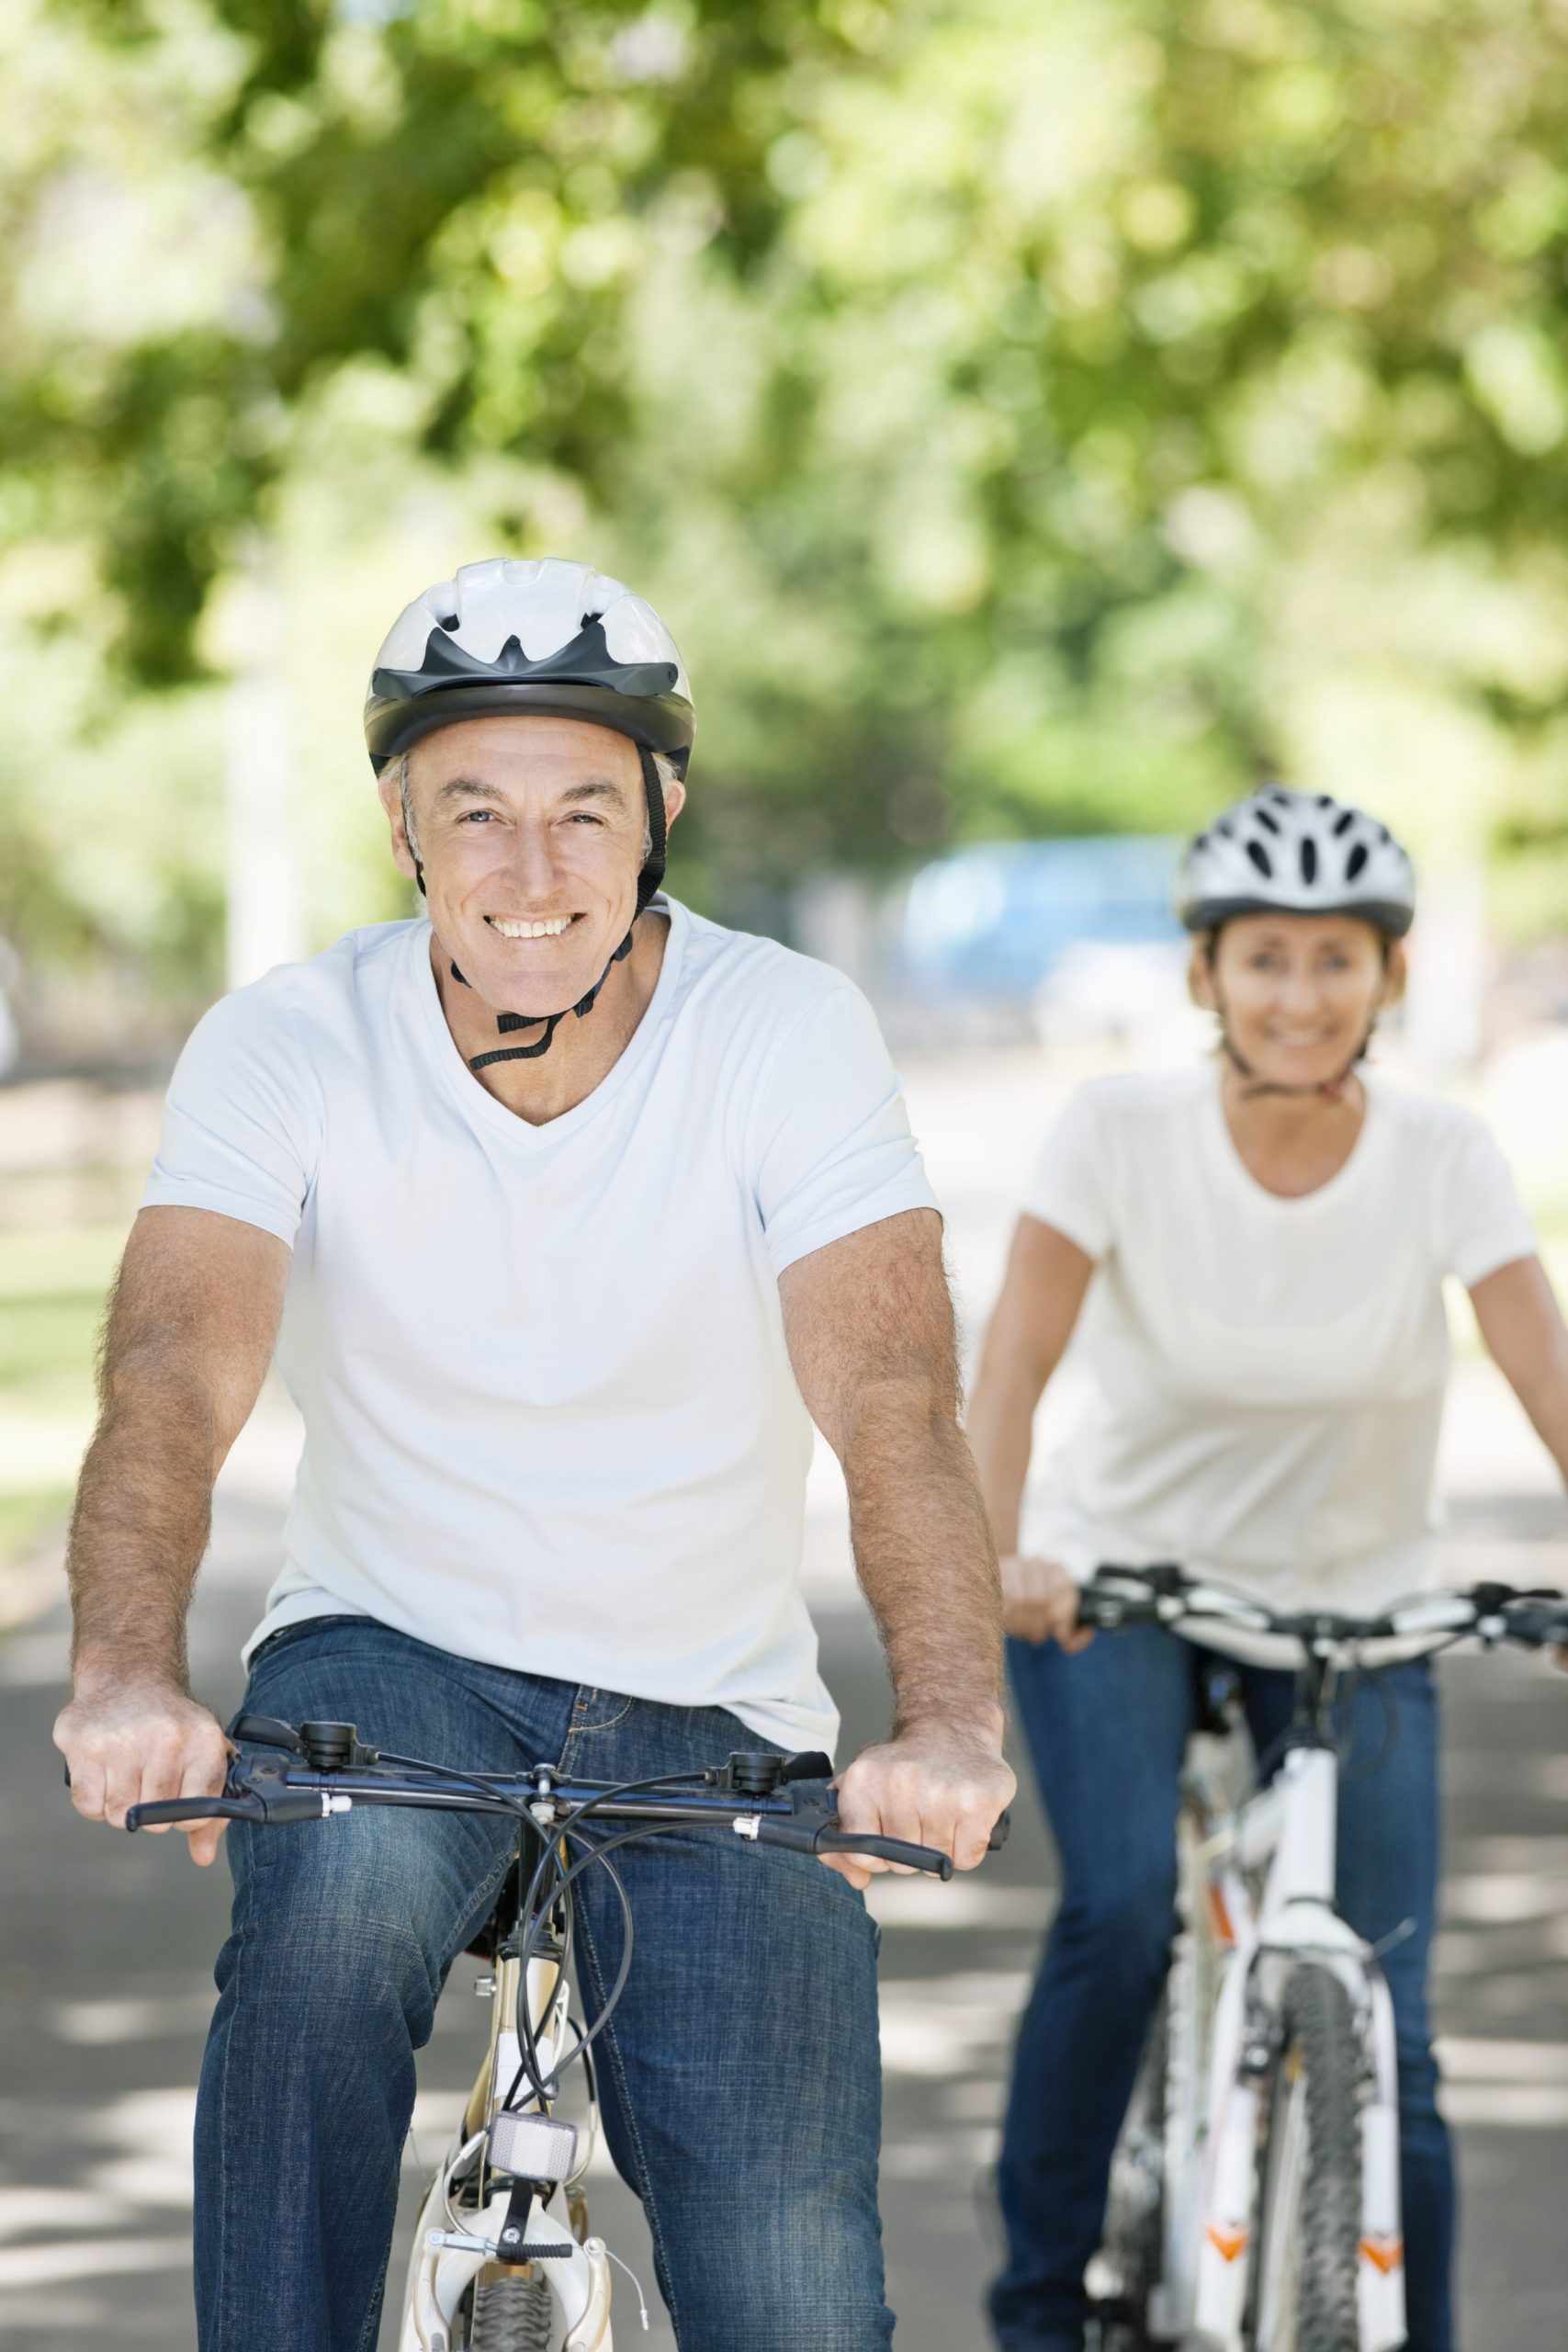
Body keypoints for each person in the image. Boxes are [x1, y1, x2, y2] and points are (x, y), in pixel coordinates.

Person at [52, 557, 1016, 2352]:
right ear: (400, 828)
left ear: (660, 809)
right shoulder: (288, 1037)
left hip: (711, 1707)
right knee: (319, 1928)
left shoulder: (782, 1031)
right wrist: (124, 1671)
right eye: (472, 811)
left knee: (793, 2293)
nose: (531, 871)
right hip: (390, 1664)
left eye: (583, 808)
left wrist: (947, 1719)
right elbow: (175, 1366)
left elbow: (889, 1390)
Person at [967, 785, 1568, 2352]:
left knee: (1397, 2034)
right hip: (1121, 1587)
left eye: (1335, 962)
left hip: (1359, 1610)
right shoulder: (1118, 1132)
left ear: (1391, 978)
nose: (1300, 996)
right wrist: (999, 1562)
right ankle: (1038, 2303)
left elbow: (1547, 1378)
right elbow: (1014, 1375)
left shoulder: (1444, 1154)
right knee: (1115, 1913)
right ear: (1203, 978)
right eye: (1266, 960)